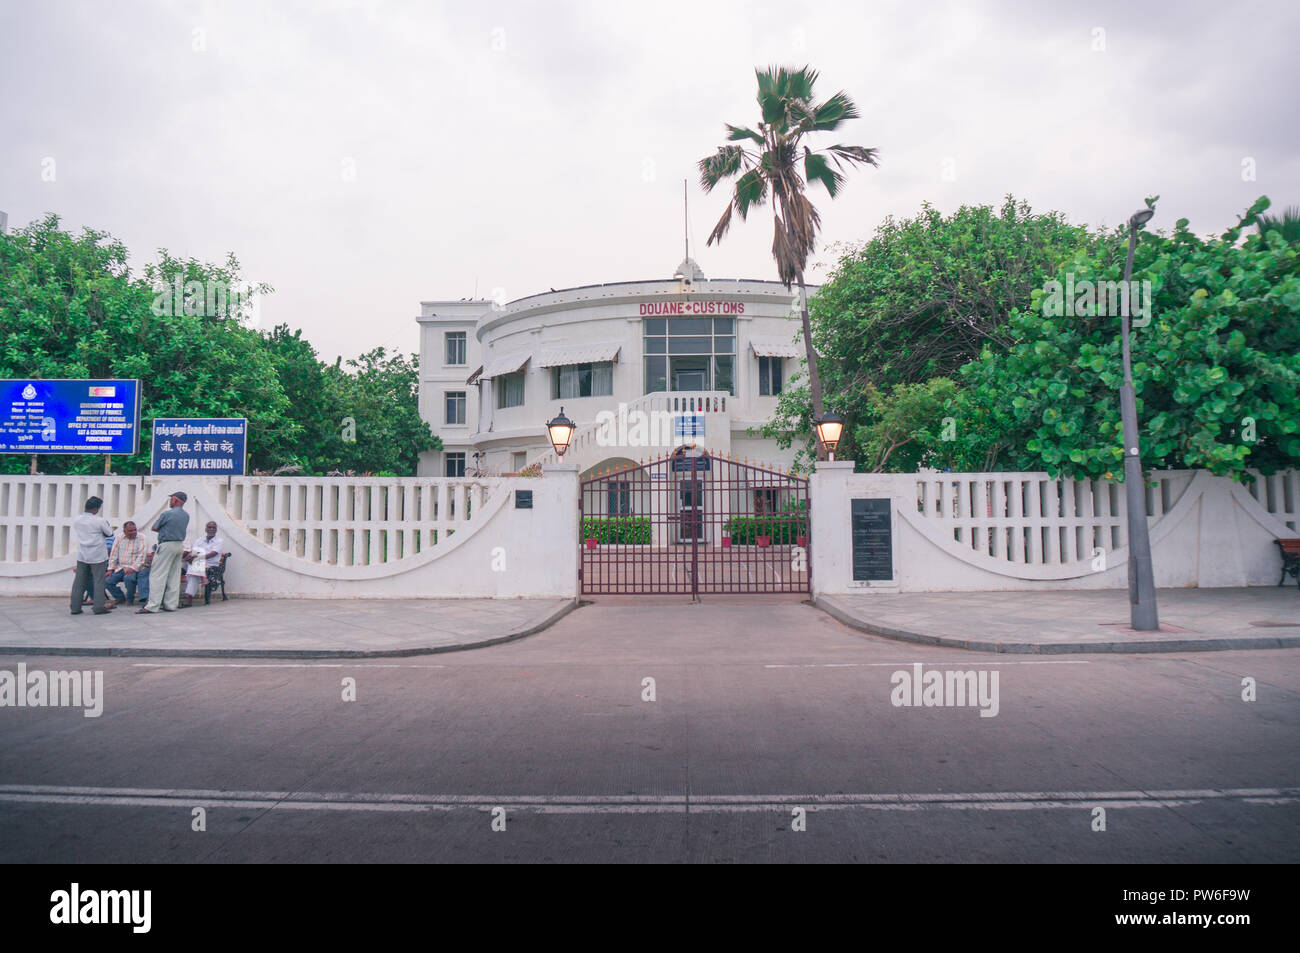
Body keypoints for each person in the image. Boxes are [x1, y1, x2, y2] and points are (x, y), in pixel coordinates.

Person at [138, 491, 190, 614]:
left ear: (176, 500)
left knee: (157, 575)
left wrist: (165, 530)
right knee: (174, 576)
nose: (170, 501)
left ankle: (152, 605)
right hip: (178, 545)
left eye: (172, 499)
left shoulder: (167, 514)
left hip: (166, 544)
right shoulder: (186, 515)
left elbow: (154, 527)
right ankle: (171, 604)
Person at [70, 497, 114, 616]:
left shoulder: (77, 519)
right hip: (98, 554)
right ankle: (99, 607)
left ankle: (75, 607)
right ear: (96, 509)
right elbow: (110, 533)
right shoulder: (99, 521)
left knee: (79, 582)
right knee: (99, 581)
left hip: (82, 554)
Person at [105, 521, 148, 605]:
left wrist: (132, 568)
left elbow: (142, 555)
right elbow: (113, 554)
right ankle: (120, 598)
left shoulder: (142, 537)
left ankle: (129, 599)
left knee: (129, 578)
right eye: (130, 531)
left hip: (136, 568)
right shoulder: (119, 537)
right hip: (121, 567)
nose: (134, 532)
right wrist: (110, 569)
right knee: (107, 581)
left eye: (135, 530)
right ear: (124, 531)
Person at [181, 521, 223, 608]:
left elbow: (213, 554)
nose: (211, 529)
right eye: (209, 527)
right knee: (193, 567)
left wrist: (196, 558)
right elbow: (194, 552)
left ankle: (189, 600)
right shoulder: (199, 540)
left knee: (194, 566)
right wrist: (189, 558)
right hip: (199, 564)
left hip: (211, 564)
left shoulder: (219, 541)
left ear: (216, 530)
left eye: (213, 528)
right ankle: (204, 578)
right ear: (205, 528)